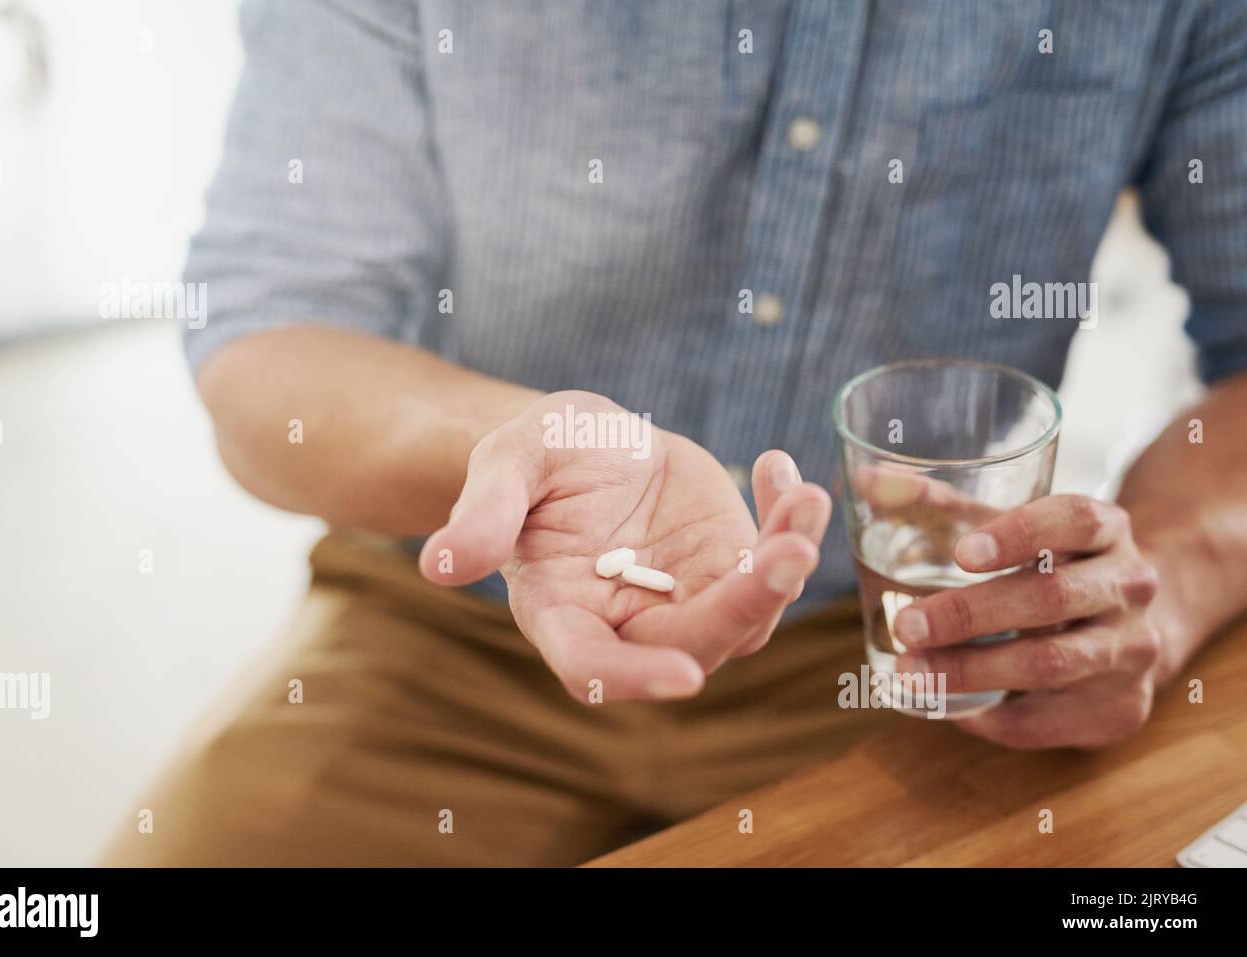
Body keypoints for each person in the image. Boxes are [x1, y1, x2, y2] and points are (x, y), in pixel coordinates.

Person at [104, 1, 1247, 866]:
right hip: (446, 632)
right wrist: (518, 447)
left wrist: (1170, 569)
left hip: (907, 654)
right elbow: (275, 343)